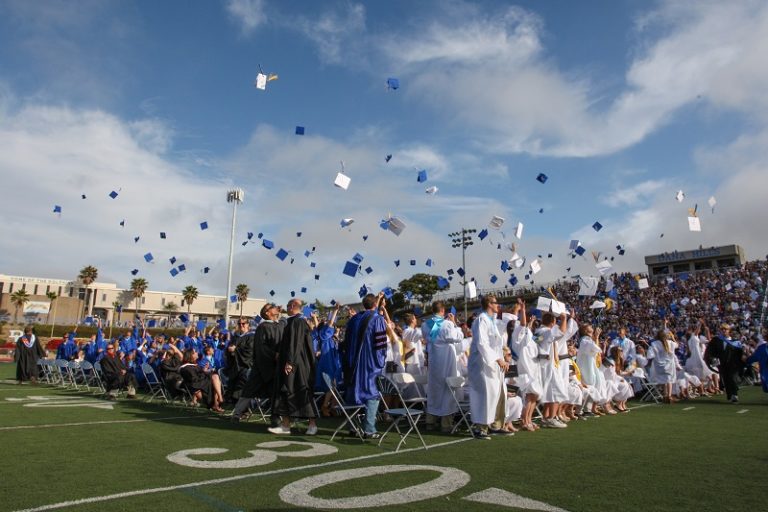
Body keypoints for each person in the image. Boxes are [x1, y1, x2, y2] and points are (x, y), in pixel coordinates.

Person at [342, 293, 388, 438]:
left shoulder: (353, 319)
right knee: (371, 393)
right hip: (369, 363)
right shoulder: (377, 319)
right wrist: (380, 361)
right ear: (375, 304)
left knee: (353, 392)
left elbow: (345, 342)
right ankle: (369, 429)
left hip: (352, 363)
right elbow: (380, 344)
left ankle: (353, 427)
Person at [269, 299, 318, 435]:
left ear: (292, 306)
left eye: (288, 306)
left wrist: (290, 362)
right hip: (290, 363)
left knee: (302, 392)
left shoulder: (298, 321)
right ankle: (285, 425)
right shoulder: (293, 321)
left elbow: (295, 344)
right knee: (285, 391)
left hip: (298, 365)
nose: (287, 308)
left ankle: (312, 425)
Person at [232, 303, 284, 423]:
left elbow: (285, 322)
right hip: (262, 366)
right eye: (273, 307)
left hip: (276, 365)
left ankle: (275, 416)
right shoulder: (263, 327)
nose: (276, 308)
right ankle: (237, 413)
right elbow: (261, 347)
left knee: (276, 392)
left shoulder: (280, 324)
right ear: (267, 312)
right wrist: (274, 355)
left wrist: (279, 311)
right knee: (249, 389)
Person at [468, 294, 510, 438]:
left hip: (494, 364)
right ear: (489, 304)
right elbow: (482, 343)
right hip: (483, 364)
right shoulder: (482, 320)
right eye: (495, 302)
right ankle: (481, 428)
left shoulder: (492, 321)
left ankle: (495, 425)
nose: (498, 305)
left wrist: (502, 354)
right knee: (485, 395)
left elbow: (496, 343)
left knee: (498, 394)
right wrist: (498, 359)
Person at [422, 301, 465, 432]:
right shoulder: (447, 324)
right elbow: (458, 337)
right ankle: (446, 424)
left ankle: (430, 421)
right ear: (443, 311)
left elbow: (427, 338)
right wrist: (455, 324)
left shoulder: (425, 324)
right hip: (447, 361)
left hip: (434, 361)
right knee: (447, 389)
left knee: (434, 389)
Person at [508, 302, 542, 432]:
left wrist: (531, 324)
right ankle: (524, 421)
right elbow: (522, 325)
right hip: (524, 370)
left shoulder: (526, 334)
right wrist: (522, 310)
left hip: (532, 369)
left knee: (534, 396)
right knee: (529, 396)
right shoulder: (517, 335)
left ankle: (528, 419)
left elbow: (528, 332)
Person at [705, 324, 745, 403]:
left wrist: (742, 360)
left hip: (732, 364)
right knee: (725, 379)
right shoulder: (717, 340)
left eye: (725, 329)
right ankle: (730, 395)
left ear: (729, 331)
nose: (724, 331)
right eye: (722, 329)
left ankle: (735, 394)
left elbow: (740, 353)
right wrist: (712, 358)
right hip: (722, 363)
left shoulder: (735, 342)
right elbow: (710, 350)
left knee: (732, 378)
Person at [224, 318, 255, 403]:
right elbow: (229, 350)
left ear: (248, 325)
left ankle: (243, 410)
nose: (241, 325)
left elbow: (249, 352)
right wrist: (229, 349)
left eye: (243, 323)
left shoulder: (252, 336)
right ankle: (237, 408)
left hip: (246, 366)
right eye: (239, 323)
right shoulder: (236, 337)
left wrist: (235, 350)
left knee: (241, 383)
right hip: (235, 366)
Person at [647, 329, 678, 404]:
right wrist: (673, 338)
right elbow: (677, 345)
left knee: (664, 380)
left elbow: (650, 355)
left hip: (659, 365)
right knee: (669, 380)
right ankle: (669, 396)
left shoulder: (654, 343)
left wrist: (649, 362)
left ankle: (664, 396)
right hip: (669, 364)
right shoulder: (670, 342)